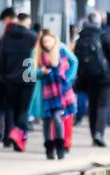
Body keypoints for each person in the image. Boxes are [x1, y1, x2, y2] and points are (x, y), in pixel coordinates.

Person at [0, 9, 37, 150]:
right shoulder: (32, 37)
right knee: (24, 110)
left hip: (10, 78)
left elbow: (1, 60)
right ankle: (20, 138)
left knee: (11, 108)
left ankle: (10, 135)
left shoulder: (6, 37)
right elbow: (35, 58)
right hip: (28, 77)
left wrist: (3, 73)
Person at [73, 11, 110, 147]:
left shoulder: (81, 38)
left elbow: (76, 59)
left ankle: (93, 135)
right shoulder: (104, 36)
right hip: (104, 76)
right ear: (99, 22)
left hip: (87, 78)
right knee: (103, 105)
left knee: (92, 106)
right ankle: (99, 134)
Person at [28, 29, 77, 160]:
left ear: (54, 40)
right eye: (44, 41)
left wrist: (68, 77)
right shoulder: (36, 53)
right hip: (44, 92)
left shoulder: (62, 50)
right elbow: (30, 74)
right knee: (46, 121)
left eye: (49, 40)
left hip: (60, 91)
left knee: (57, 118)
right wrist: (40, 72)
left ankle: (60, 147)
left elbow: (74, 62)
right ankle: (49, 149)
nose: (47, 44)